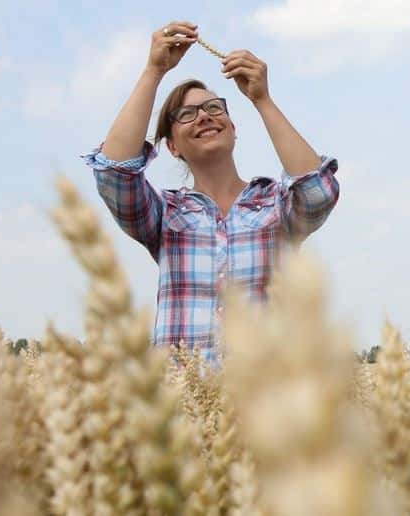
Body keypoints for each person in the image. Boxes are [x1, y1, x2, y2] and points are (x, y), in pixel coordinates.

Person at [81, 20, 340, 363]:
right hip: (183, 405)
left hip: (262, 404)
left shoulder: (275, 205)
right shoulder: (164, 213)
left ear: (233, 128)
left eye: (214, 108)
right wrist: (153, 71)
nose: (203, 116)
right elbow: (114, 175)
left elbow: (317, 192)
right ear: (172, 146)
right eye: (186, 114)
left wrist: (261, 99)